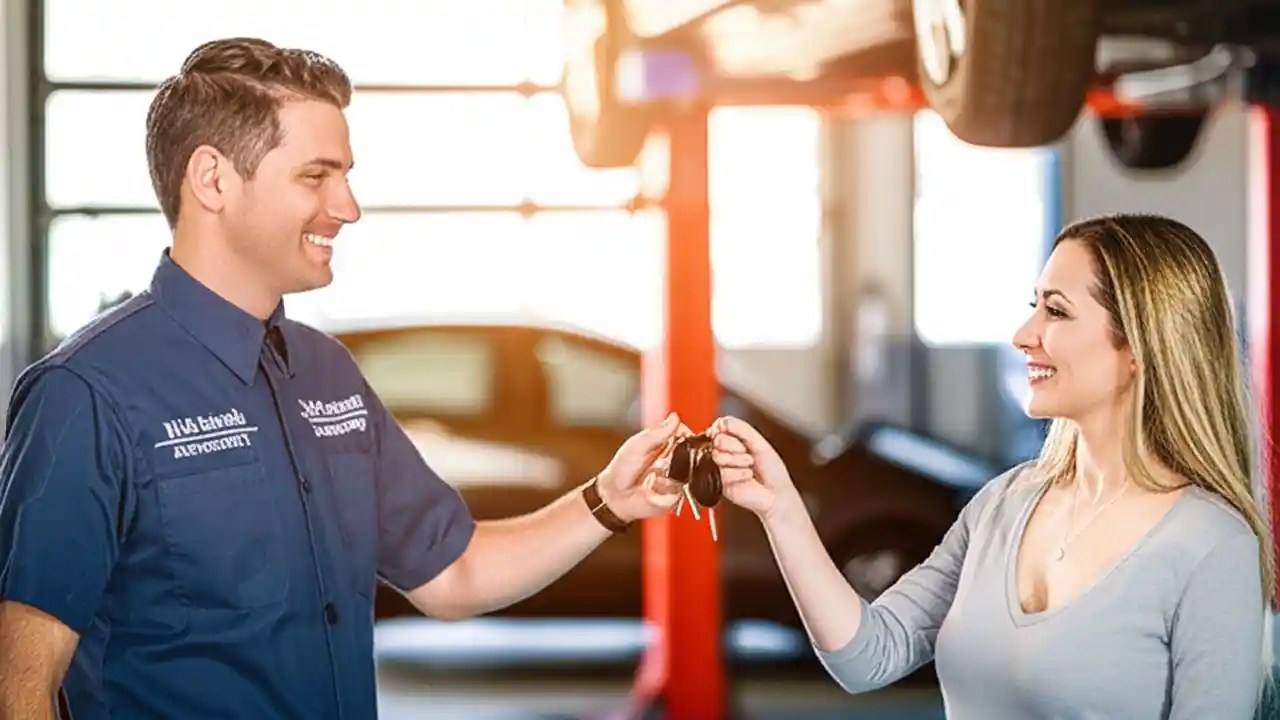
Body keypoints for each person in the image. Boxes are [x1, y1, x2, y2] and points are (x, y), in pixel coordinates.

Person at [0, 38, 684, 719]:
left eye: (345, 175)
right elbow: (21, 683)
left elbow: (455, 572)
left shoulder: (327, 375)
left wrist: (606, 501)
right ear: (212, 180)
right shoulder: (84, 395)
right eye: (315, 176)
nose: (348, 206)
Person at [711, 213, 1275, 719]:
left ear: (1137, 351)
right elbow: (868, 656)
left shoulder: (1211, 546)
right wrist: (780, 507)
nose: (1023, 335)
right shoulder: (1005, 502)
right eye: (1035, 306)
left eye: (1056, 311)